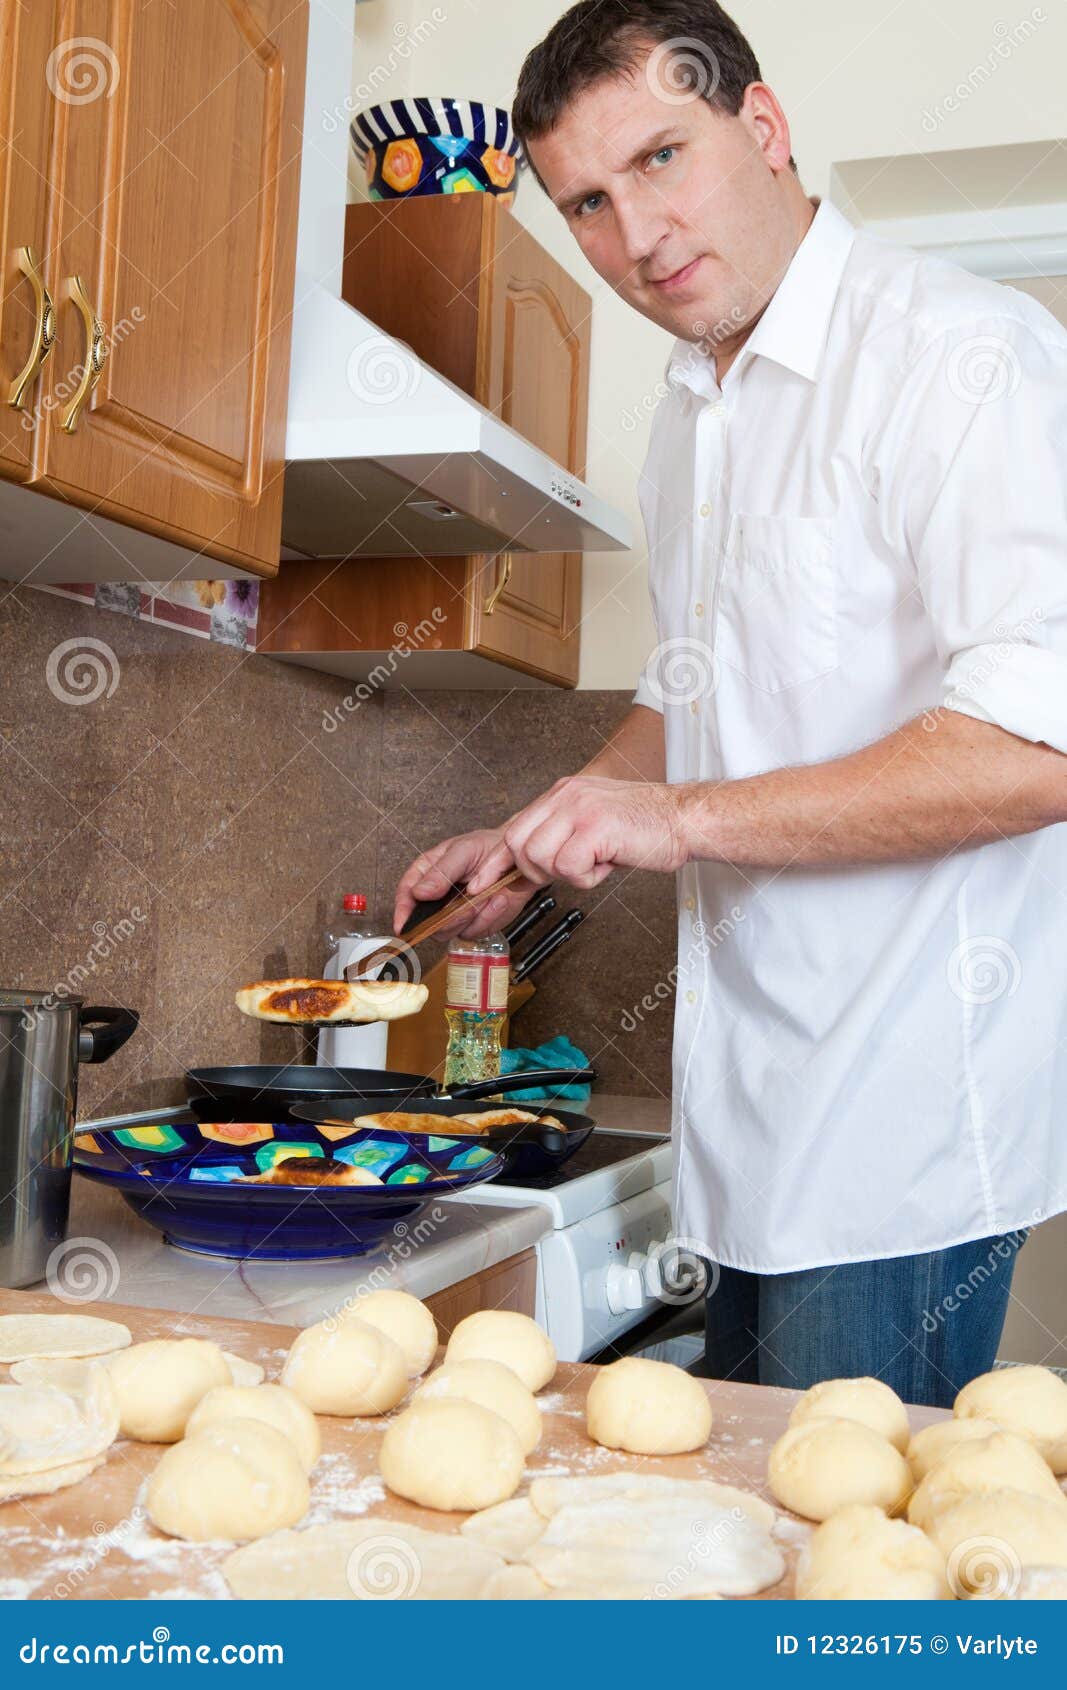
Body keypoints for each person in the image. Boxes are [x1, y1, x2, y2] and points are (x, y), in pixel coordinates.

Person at [393, 0, 1067, 1407]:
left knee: (843, 1581)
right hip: (742, 1128)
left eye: (661, 158)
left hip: (897, 1142)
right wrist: (538, 836)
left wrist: (676, 819)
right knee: (748, 1549)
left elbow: (1038, 741)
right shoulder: (690, 405)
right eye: (586, 200)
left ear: (762, 128)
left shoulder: (962, 355)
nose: (635, 234)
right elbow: (688, 694)